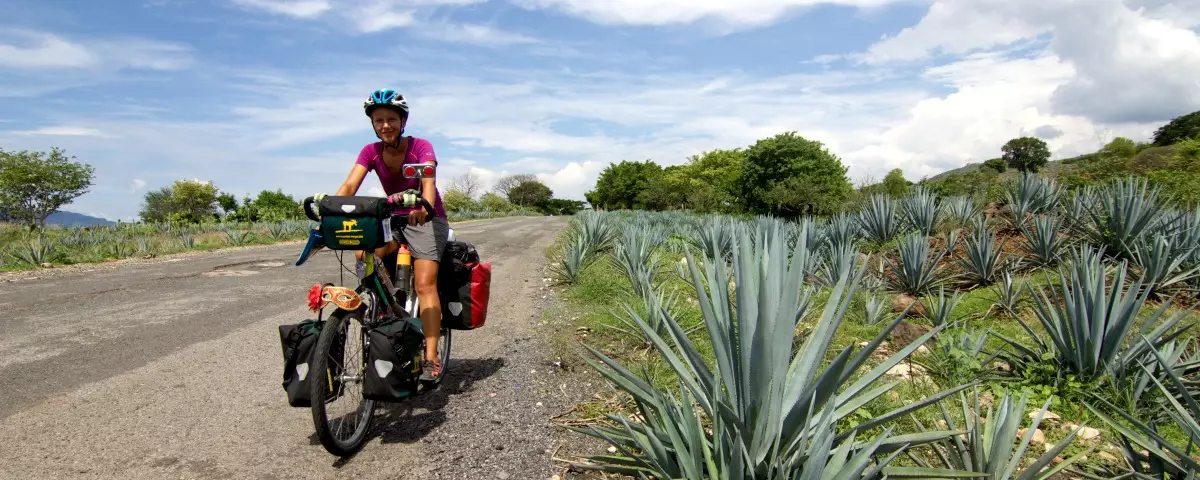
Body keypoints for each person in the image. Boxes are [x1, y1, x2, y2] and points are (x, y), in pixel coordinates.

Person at [321, 88, 448, 383]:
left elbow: (428, 181)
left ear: (402, 121)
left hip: (426, 218)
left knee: (425, 283)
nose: (385, 125)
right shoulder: (370, 151)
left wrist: (425, 207)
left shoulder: (420, 147)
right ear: (373, 124)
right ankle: (386, 310)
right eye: (379, 120)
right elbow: (349, 185)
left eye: (391, 119)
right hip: (394, 217)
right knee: (364, 254)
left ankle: (431, 357)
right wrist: (333, 212)